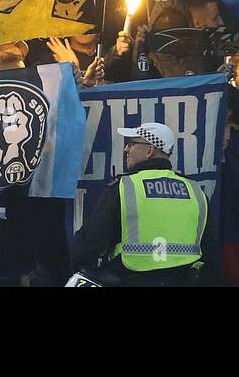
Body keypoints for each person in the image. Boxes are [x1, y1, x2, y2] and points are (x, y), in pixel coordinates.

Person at [70, 121, 208, 286]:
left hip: (130, 280)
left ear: (149, 150)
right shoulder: (196, 192)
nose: (126, 149)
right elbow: (210, 252)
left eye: (132, 144)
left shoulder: (124, 187)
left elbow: (88, 243)